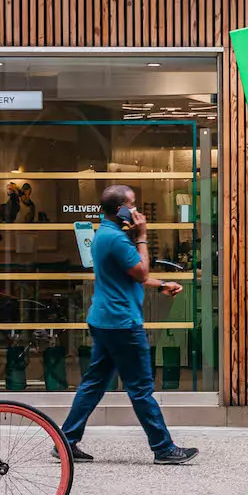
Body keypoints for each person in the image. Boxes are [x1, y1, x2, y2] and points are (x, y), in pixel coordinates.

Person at [60, 184, 198, 465]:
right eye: (133, 205)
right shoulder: (118, 240)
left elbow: (131, 275)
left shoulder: (105, 235)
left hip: (104, 320)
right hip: (122, 324)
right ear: (120, 209)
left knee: (94, 383)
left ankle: (66, 440)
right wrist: (143, 237)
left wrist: (160, 285)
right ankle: (163, 448)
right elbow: (140, 271)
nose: (138, 211)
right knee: (140, 387)